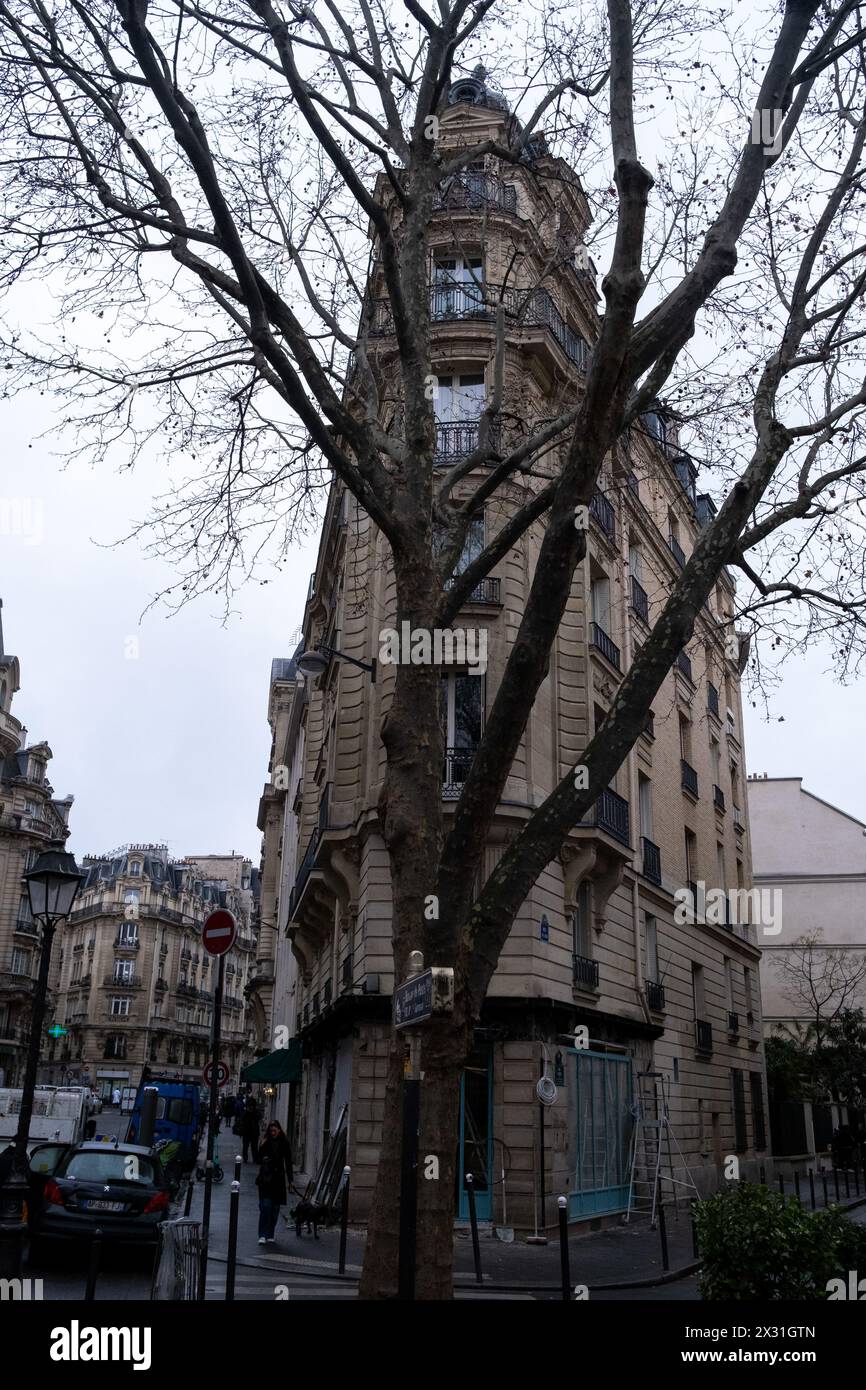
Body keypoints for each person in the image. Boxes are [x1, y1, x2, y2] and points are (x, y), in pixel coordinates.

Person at [255, 1120, 293, 1244]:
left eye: (274, 1130)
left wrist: (290, 1181)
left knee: (275, 1209)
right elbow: (258, 1159)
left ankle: (270, 1233)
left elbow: (288, 1163)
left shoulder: (284, 1143)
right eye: (271, 1131)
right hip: (266, 1178)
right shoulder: (266, 1142)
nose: (272, 1133)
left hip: (278, 1179)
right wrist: (261, 1146)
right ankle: (262, 1234)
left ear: (279, 1130)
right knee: (266, 1206)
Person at [240, 1097, 261, 1164]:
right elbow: (242, 1119)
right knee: (246, 1146)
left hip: (254, 1132)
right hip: (247, 1132)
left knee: (254, 1146)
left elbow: (259, 1117)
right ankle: (246, 1158)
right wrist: (247, 1112)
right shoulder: (246, 1112)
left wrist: (253, 1112)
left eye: (252, 1106)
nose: (251, 1107)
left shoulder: (256, 1112)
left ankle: (255, 1158)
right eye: (250, 1106)